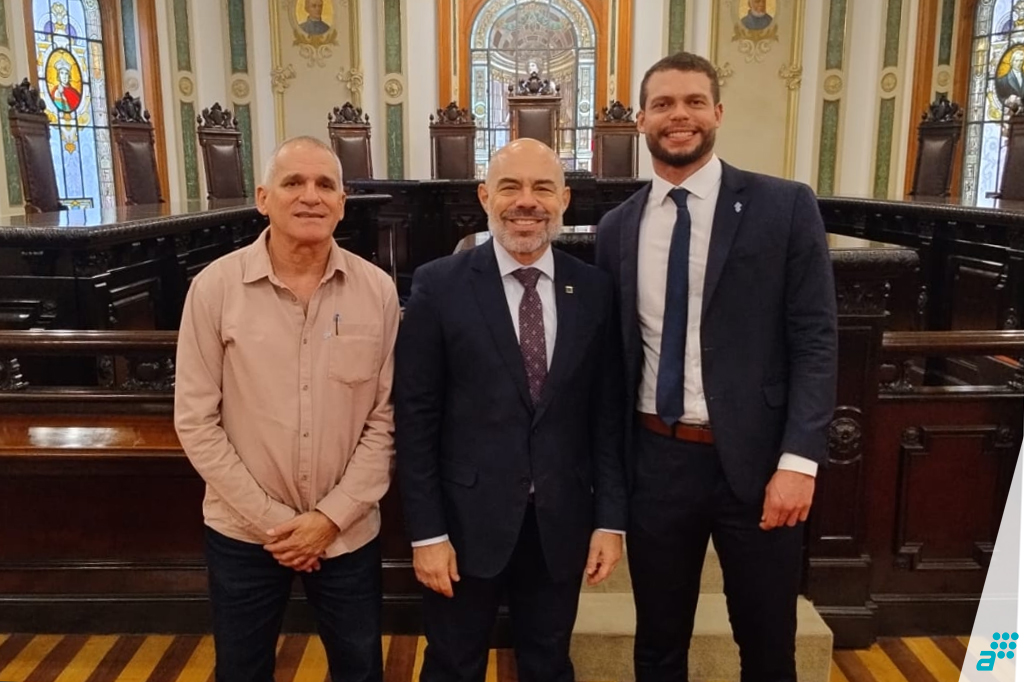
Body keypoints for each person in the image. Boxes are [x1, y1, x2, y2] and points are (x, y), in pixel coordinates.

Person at [594, 52, 837, 682]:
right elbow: (615, 361)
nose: (680, 116)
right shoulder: (617, 230)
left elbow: (815, 339)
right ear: (642, 120)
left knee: (766, 647)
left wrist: (799, 461)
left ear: (718, 113)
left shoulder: (783, 206)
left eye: (694, 102)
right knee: (658, 646)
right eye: (665, 104)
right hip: (657, 462)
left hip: (759, 468)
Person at [396, 138, 628, 682]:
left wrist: (610, 521)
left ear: (565, 199)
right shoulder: (439, 285)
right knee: (453, 663)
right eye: (510, 187)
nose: (528, 201)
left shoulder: (593, 290)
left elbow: (607, 416)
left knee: (548, 662)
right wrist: (427, 535)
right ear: (484, 196)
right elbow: (416, 420)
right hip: (463, 523)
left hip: (560, 522)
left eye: (543, 187)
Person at [174, 135, 399, 682]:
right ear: (262, 198)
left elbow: (384, 419)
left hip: (345, 530)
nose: (310, 196)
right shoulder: (214, 289)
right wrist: (279, 524)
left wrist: (328, 518)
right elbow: (196, 420)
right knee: (242, 671)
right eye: (293, 182)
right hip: (245, 532)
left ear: (343, 203)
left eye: (325, 184)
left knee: (360, 668)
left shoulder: (377, 291)